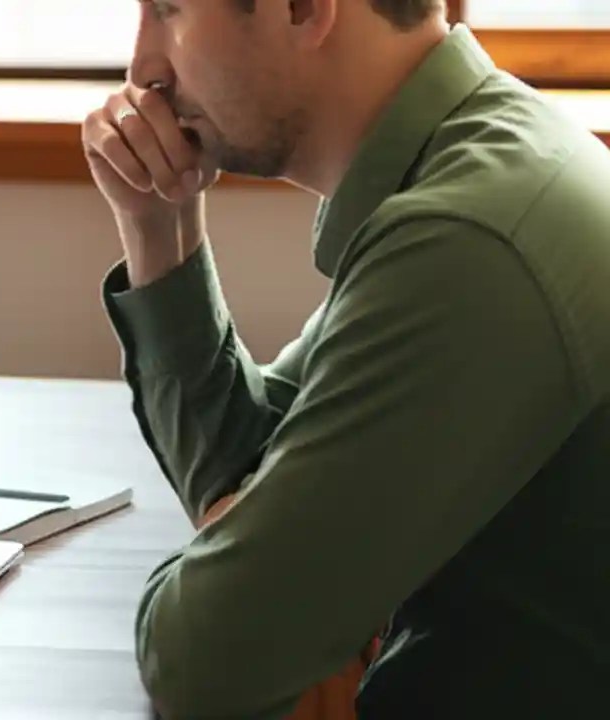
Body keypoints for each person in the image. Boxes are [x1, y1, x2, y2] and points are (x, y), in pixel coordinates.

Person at [82, 1, 610, 718]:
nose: (142, 67)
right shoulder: (475, 167)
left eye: (169, 11)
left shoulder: (468, 241)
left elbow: (206, 659)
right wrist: (159, 225)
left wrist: (237, 553)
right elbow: (246, 469)